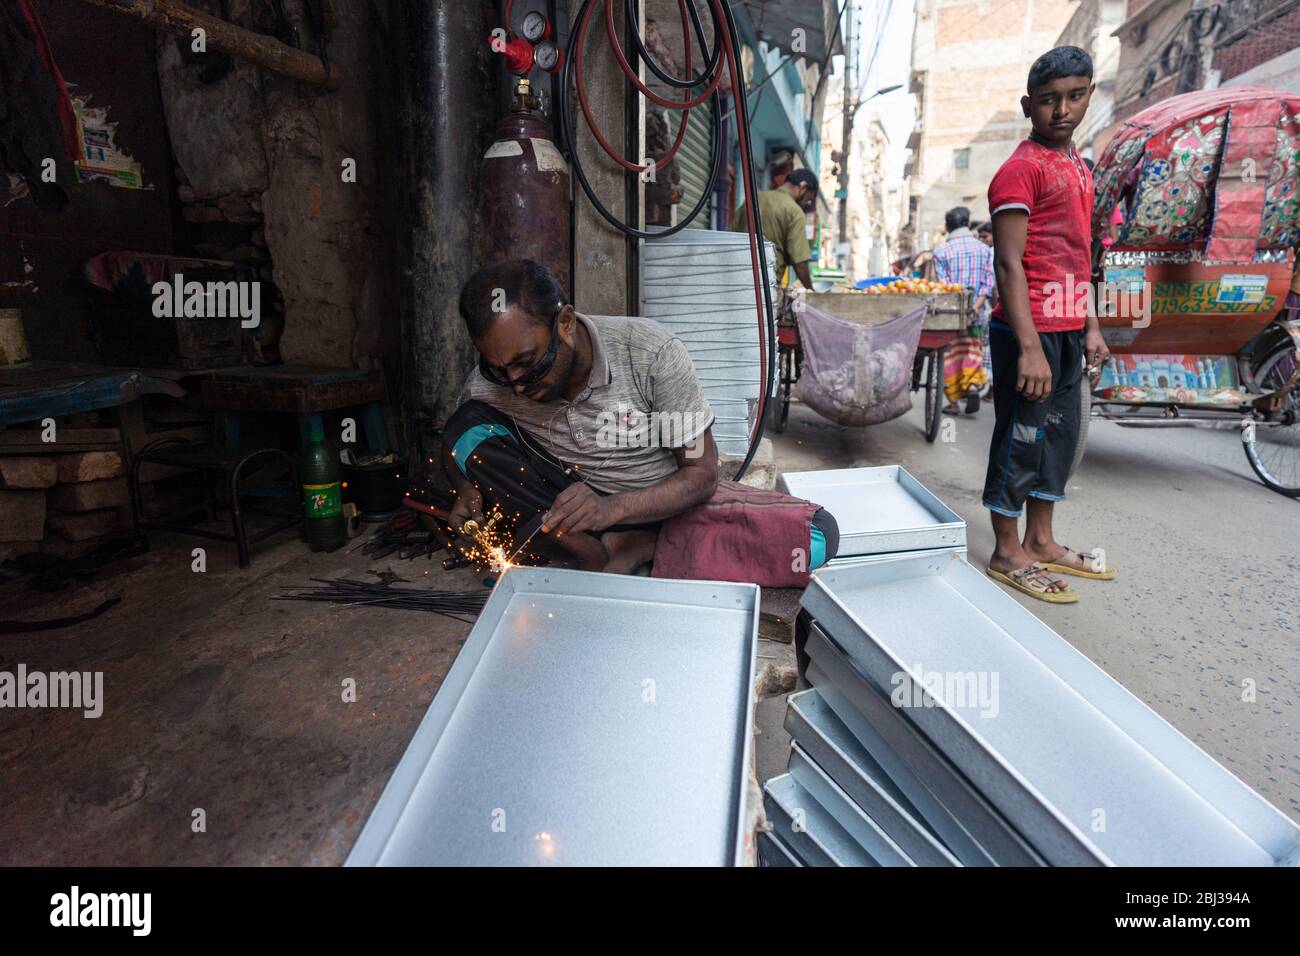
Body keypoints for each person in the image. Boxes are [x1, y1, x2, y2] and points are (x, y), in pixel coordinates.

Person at [442, 259, 840, 575]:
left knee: (816, 534)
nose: (516, 384)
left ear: (565, 323)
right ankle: (596, 550)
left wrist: (610, 510)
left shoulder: (650, 354)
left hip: (660, 506)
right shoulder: (490, 382)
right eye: (499, 368)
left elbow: (701, 474)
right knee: (464, 425)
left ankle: (632, 545)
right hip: (563, 503)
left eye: (528, 362)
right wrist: (467, 488)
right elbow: (461, 441)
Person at [983, 45, 1114, 604]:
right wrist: (1031, 348)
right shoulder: (1019, 170)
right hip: (1026, 331)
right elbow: (1009, 263)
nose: (1062, 110)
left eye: (1074, 96)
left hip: (1067, 329)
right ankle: (1007, 549)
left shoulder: (1079, 169)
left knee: (1057, 440)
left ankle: (1041, 538)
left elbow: (1079, 255)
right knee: (1022, 437)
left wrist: (1090, 326)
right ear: (1027, 106)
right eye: (1047, 101)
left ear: (1089, 94)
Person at [932, 205, 995, 415]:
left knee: (950, 354)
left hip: (951, 315)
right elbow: (988, 284)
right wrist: (975, 307)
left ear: (948, 226)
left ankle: (952, 403)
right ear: (967, 224)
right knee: (972, 349)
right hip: (977, 314)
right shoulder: (985, 250)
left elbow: (945, 286)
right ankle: (973, 385)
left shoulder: (941, 252)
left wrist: (961, 309)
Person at [732, 168, 818, 290]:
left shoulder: (754, 199)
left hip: (736, 280)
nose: (806, 203)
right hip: (766, 287)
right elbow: (800, 263)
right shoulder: (794, 212)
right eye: (808, 198)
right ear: (803, 187)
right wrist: (811, 290)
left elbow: (731, 232)